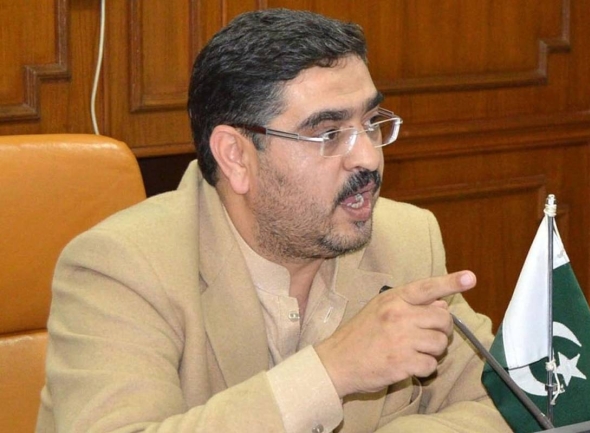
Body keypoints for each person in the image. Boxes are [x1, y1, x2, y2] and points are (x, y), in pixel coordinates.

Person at [36, 8, 511, 433]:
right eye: (328, 134)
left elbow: (507, 405)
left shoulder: (406, 239)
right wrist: (330, 371)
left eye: (370, 123)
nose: (368, 157)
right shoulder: (121, 267)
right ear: (236, 156)